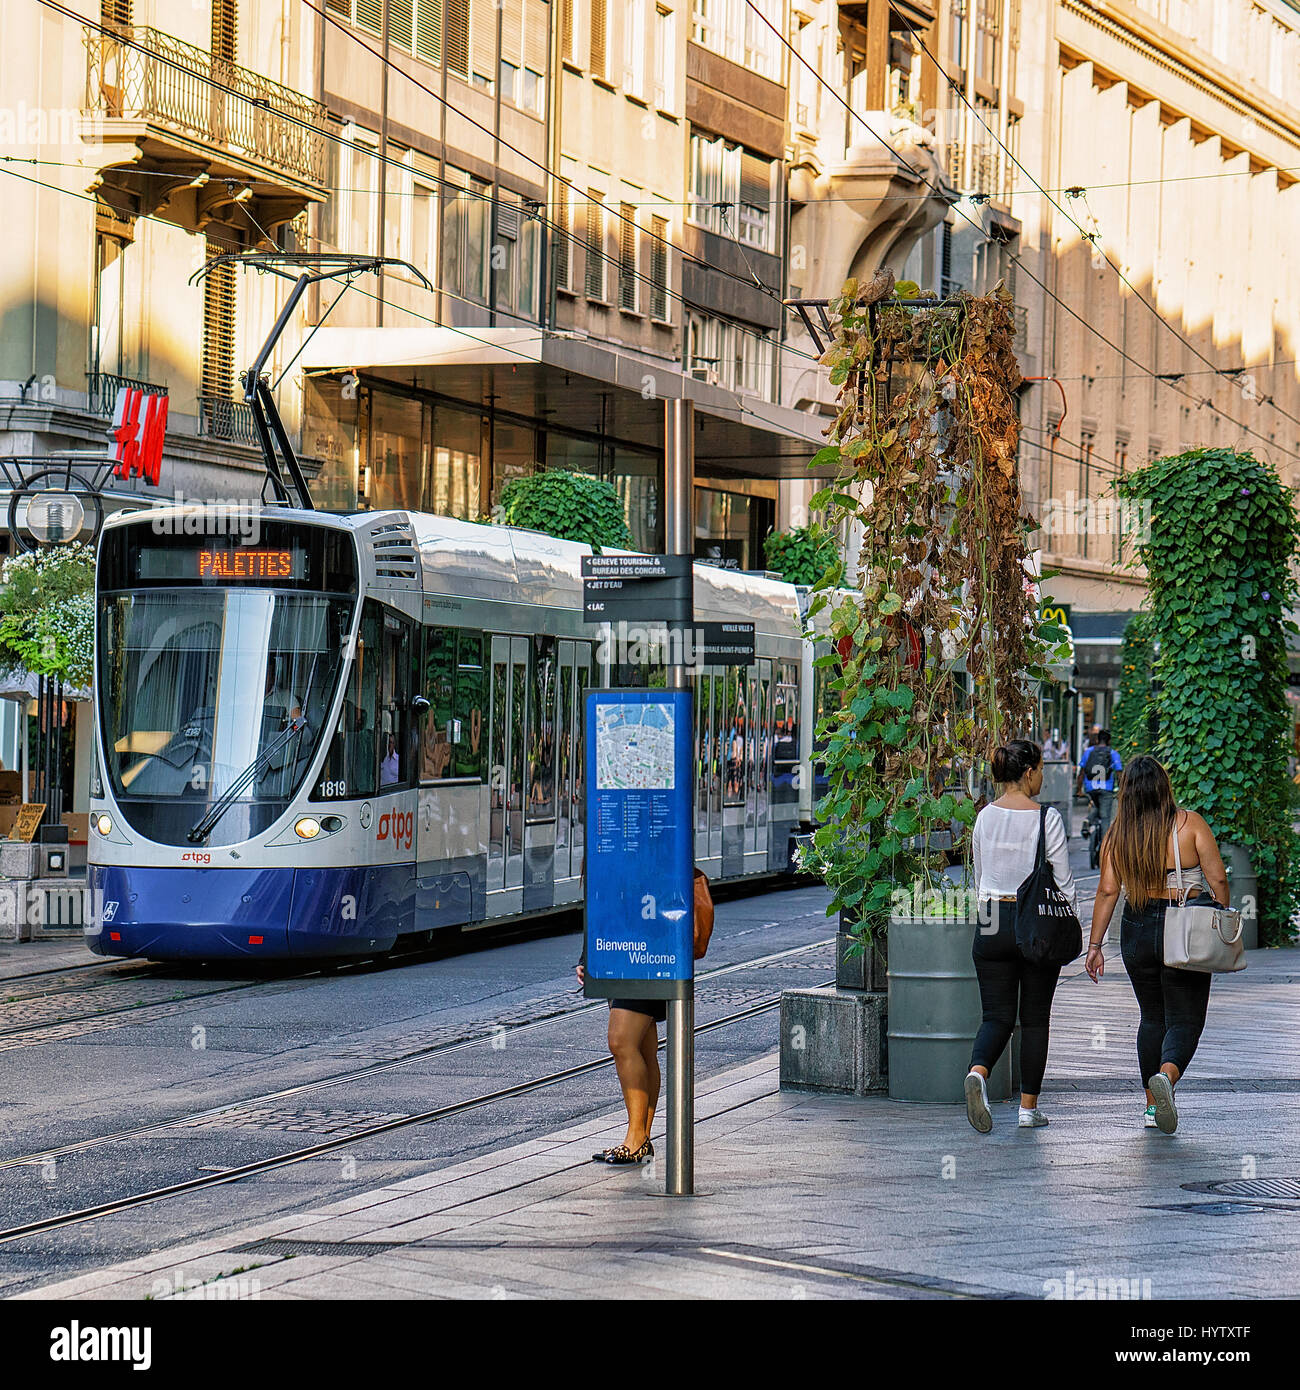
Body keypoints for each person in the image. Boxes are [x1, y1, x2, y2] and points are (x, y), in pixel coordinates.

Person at [1084, 755, 1230, 1133]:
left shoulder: (1118, 834)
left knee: (1151, 1017)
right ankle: (1166, 1076)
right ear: (1164, 787)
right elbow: (1218, 880)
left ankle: (1152, 1107)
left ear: (1127, 792)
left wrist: (1095, 945)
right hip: (1184, 926)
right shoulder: (1189, 824)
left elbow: (1107, 891)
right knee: (1186, 1018)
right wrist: (1219, 917)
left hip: (1137, 927)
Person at [965, 739, 1079, 1133]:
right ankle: (1028, 1109)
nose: (1043, 776)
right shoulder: (1047, 818)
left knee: (996, 1016)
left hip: (991, 919)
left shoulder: (984, 817)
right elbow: (1063, 881)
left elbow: (980, 877)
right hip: (1035, 923)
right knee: (1034, 1020)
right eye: (1041, 769)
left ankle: (978, 1073)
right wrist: (1073, 923)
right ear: (1029, 772)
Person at [1077, 728, 1122, 842]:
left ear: (1097, 740)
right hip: (1106, 789)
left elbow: (1081, 772)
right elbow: (1119, 773)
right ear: (1109, 740)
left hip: (1090, 788)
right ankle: (1104, 845)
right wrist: (1121, 789)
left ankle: (1088, 820)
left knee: (1097, 806)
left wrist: (1079, 790)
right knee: (1105, 816)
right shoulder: (1113, 753)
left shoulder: (1088, 752)